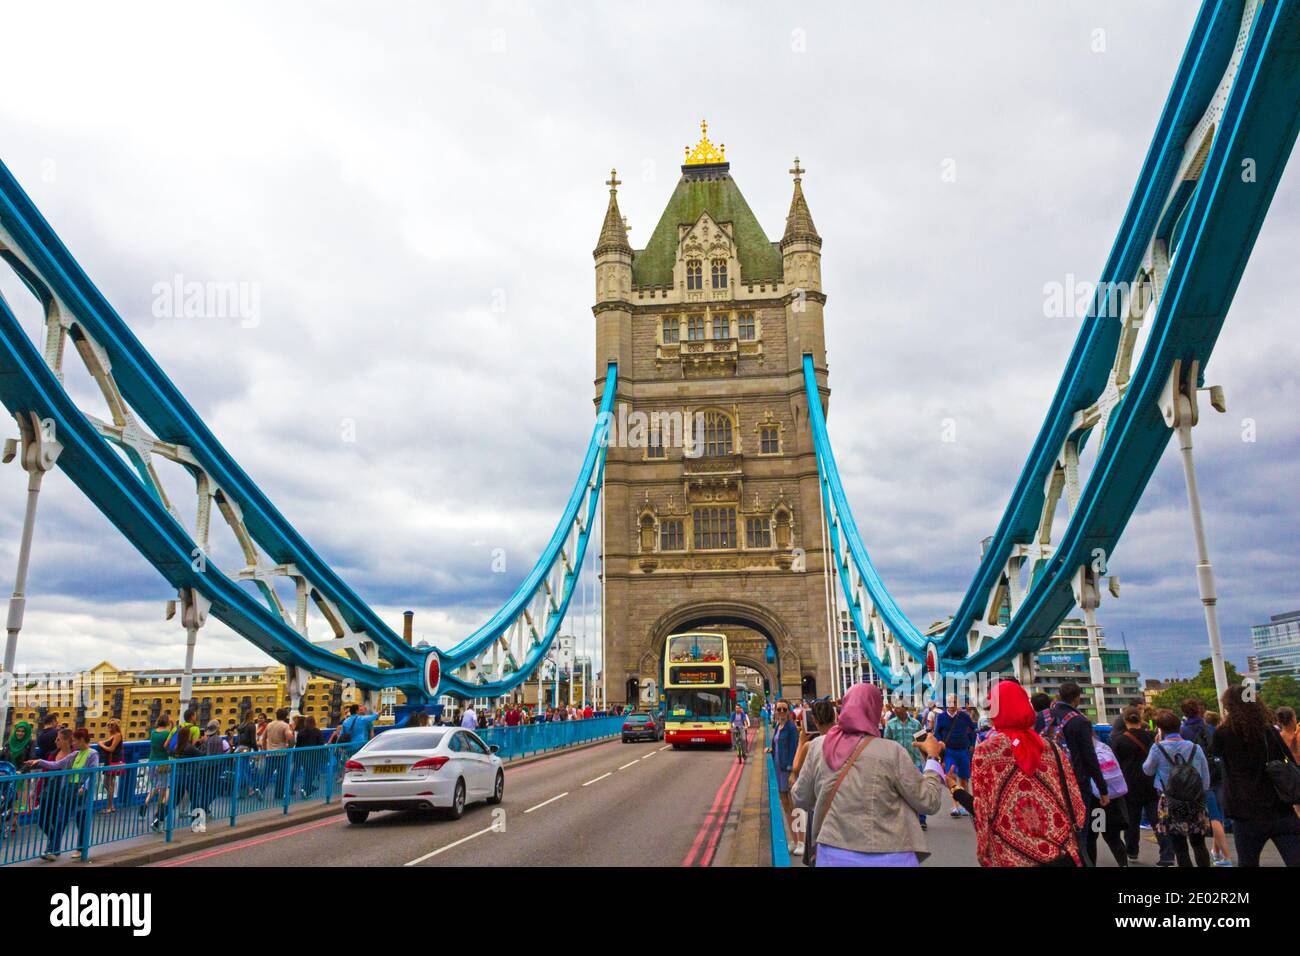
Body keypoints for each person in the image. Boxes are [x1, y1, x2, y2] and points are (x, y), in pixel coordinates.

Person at [791, 683, 945, 867]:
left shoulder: (818, 747)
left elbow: (801, 798)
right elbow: (928, 801)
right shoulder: (892, 752)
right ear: (876, 711)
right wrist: (933, 758)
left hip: (833, 855)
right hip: (892, 855)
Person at [956, 680, 1088, 867]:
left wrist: (984, 852)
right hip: (1059, 854)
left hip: (1009, 856)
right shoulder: (1053, 749)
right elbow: (1076, 804)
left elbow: (982, 810)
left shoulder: (986, 753)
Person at [1210, 684, 1300, 867]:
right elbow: (1290, 762)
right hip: (1279, 809)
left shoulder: (1223, 733)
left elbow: (1215, 758)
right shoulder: (1269, 731)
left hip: (1245, 811)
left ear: (1229, 705)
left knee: (1248, 861)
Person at [1045, 681, 1108, 862]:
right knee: (1080, 830)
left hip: (1051, 781)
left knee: (1056, 828)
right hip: (1077, 781)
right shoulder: (1079, 721)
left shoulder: (1045, 717)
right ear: (1077, 698)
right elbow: (1090, 758)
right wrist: (1102, 788)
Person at [1143, 708, 1211, 867]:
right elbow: (1205, 778)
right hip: (1195, 800)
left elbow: (1147, 770)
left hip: (1170, 801)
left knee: (1180, 847)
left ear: (1160, 729)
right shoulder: (1195, 748)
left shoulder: (1157, 748)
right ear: (1179, 727)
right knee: (1199, 844)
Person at [26, 727, 99, 861]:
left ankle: (81, 849)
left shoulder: (92, 754)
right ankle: (53, 850)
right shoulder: (74, 754)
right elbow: (56, 765)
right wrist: (39, 762)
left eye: (75, 741)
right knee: (60, 820)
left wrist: (84, 787)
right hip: (69, 791)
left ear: (82, 740)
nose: (73, 744)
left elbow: (93, 773)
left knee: (81, 821)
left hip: (81, 792)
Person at [1110, 705, 1171, 865]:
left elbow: (1115, 764)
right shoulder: (1151, 736)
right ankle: (1166, 854)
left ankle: (1132, 851)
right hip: (1150, 782)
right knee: (1157, 821)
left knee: (1131, 822)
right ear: (1141, 719)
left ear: (1125, 721)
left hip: (1129, 785)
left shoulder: (1119, 740)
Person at [1181, 698, 1231, 865]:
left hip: (1200, 775)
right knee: (1219, 813)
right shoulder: (1211, 728)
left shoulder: (1183, 730)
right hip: (1218, 771)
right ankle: (1216, 851)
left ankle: (1227, 856)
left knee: (1213, 817)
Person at [881, 705, 926, 830]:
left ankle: (922, 819)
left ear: (905, 708)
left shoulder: (916, 724)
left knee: (919, 790)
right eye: (894, 707)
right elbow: (887, 744)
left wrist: (927, 760)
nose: (896, 710)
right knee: (900, 792)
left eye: (899, 707)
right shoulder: (890, 724)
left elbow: (923, 742)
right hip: (897, 763)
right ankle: (905, 819)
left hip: (915, 762)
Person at [934, 694, 976, 817]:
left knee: (964, 779)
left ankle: (965, 806)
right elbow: (937, 733)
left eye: (955, 702)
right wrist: (940, 741)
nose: (952, 704)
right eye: (950, 701)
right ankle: (955, 807)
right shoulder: (941, 717)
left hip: (963, 751)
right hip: (949, 751)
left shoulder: (964, 716)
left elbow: (973, 729)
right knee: (951, 777)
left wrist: (972, 744)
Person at [766, 699, 800, 851]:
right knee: (786, 806)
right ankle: (793, 840)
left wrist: (793, 772)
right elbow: (777, 745)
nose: (781, 712)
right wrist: (771, 750)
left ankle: (801, 842)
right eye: (778, 709)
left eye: (784, 709)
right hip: (778, 769)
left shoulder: (791, 728)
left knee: (793, 807)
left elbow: (794, 751)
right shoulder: (778, 727)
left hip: (787, 770)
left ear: (788, 711)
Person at [139, 715, 172, 830]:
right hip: (163, 763)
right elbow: (169, 747)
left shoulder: (153, 732)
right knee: (164, 789)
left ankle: (146, 802)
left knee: (156, 786)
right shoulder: (167, 734)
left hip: (152, 761)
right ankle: (158, 814)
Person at [97, 719, 124, 813]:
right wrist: (102, 742)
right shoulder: (112, 735)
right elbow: (107, 742)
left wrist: (101, 744)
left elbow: (111, 749)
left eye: (112, 725)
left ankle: (109, 807)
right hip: (109, 761)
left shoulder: (117, 735)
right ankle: (111, 806)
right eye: (108, 725)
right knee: (110, 784)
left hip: (112, 761)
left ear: (116, 726)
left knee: (107, 784)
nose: (109, 726)